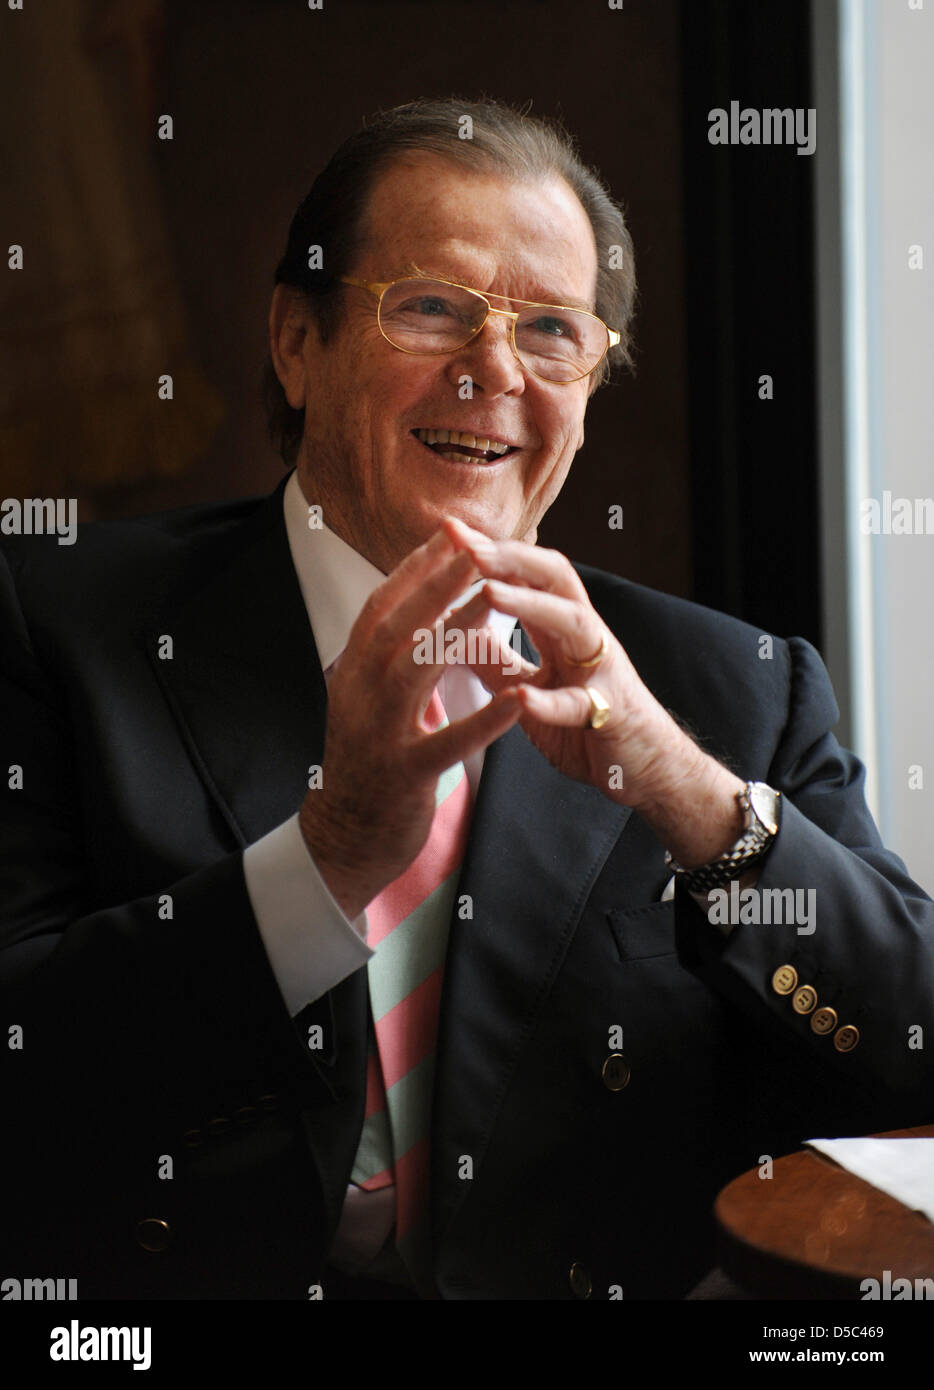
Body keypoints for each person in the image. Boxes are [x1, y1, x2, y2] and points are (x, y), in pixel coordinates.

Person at [2, 97, 932, 1302]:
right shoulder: (53, 623)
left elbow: (913, 1055)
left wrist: (685, 790)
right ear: (297, 340)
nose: (493, 369)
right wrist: (329, 856)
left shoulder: (732, 690)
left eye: (551, 329)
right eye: (431, 307)